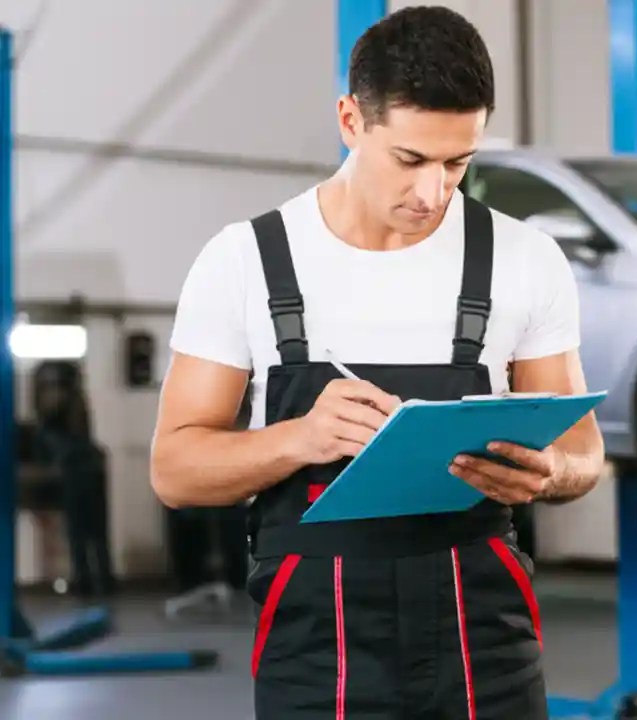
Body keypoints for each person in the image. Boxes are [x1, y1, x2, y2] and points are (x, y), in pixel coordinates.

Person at [149, 6, 605, 718]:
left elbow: (584, 451)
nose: (433, 193)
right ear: (351, 121)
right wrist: (299, 438)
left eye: (458, 163)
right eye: (410, 160)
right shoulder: (246, 262)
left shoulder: (523, 260)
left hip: (484, 635)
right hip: (317, 649)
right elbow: (174, 470)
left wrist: (551, 472)